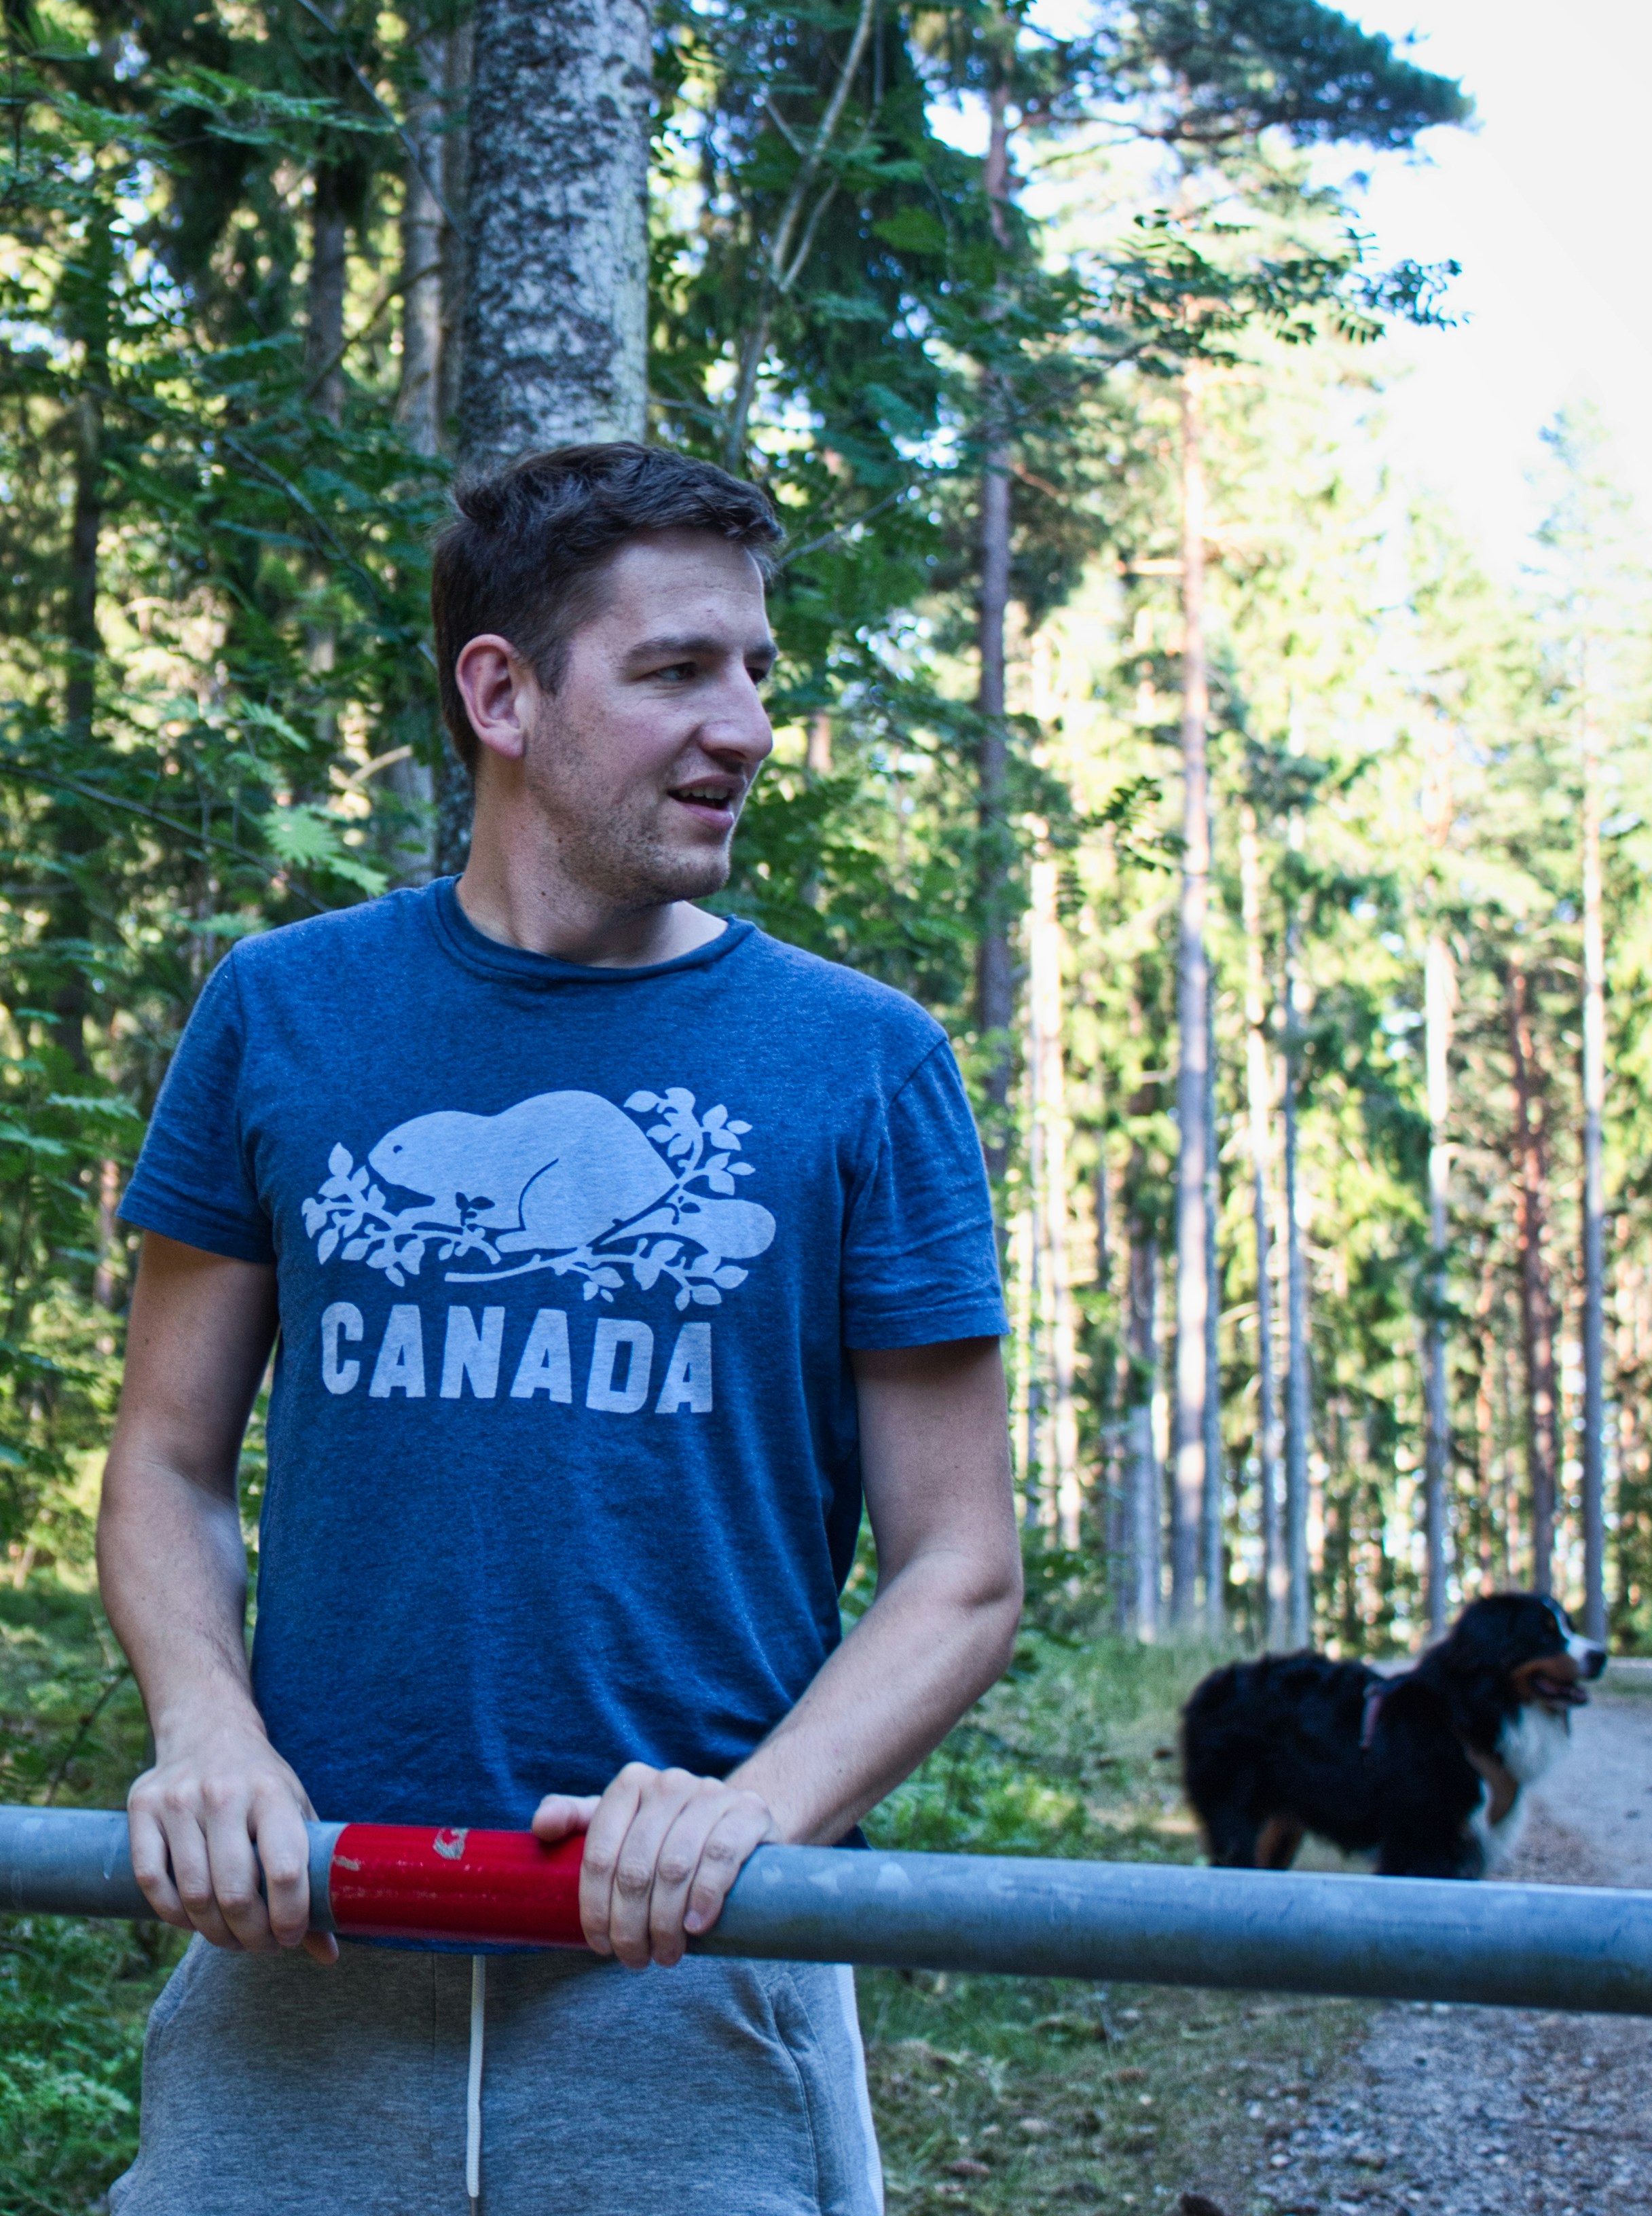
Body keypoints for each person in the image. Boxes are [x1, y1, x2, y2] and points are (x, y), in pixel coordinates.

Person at [98, 443, 1023, 2215]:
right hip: (311, 1934)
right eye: (677, 670)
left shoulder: (865, 1062)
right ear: (502, 693)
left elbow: (961, 1567)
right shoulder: (282, 1014)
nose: (744, 724)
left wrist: (752, 1813)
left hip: (690, 1974)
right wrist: (206, 1730)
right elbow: (165, 1456)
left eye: (756, 669)